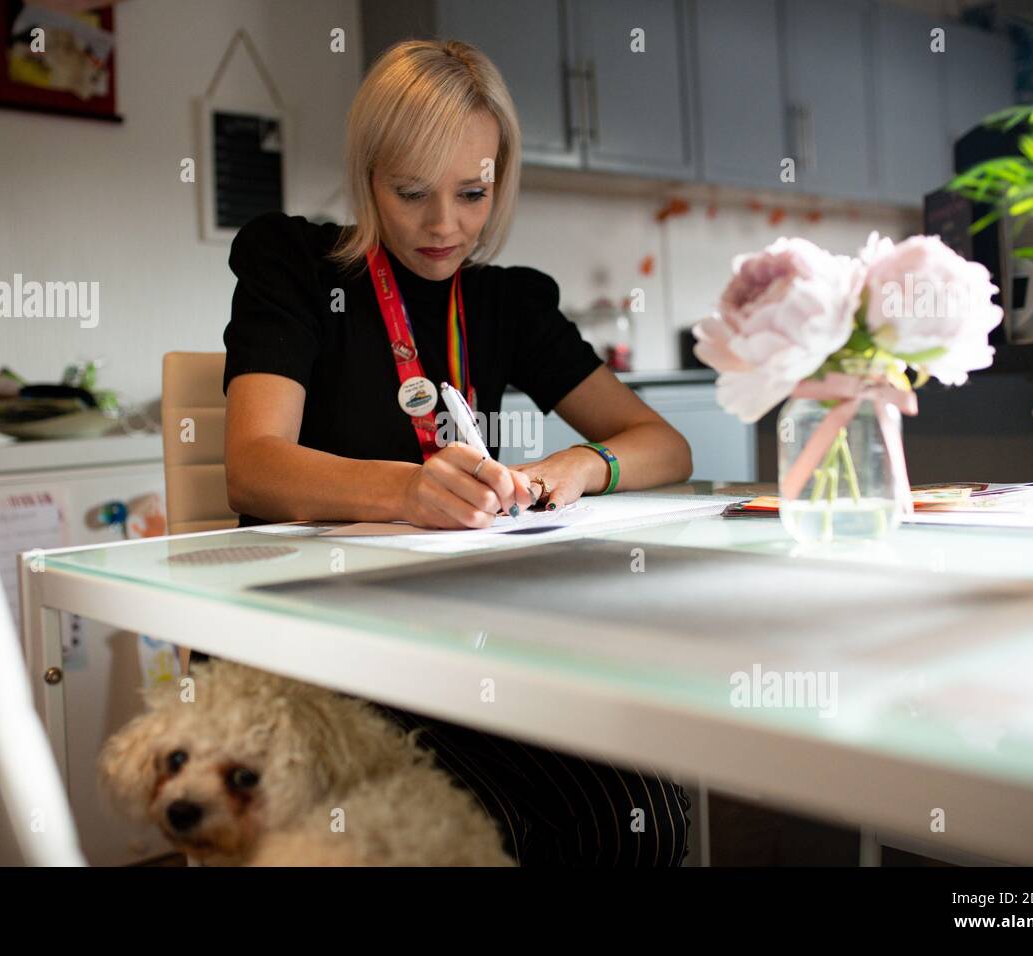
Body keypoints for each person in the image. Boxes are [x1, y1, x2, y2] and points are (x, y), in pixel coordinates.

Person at [216, 38, 695, 865]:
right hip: (313, 640)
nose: (445, 227)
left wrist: (573, 469)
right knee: (494, 830)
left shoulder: (508, 301)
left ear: (500, 178)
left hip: (457, 639)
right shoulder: (292, 265)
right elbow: (254, 468)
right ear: (368, 175)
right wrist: (407, 491)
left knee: (640, 812)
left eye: (473, 193)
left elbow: (665, 444)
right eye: (410, 193)